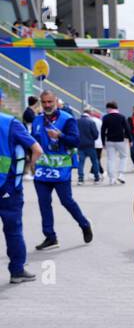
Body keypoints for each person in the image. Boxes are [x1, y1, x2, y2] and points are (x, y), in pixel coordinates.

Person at [30, 89, 92, 249]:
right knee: (44, 203)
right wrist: (31, 161)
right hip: (42, 170)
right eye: (44, 102)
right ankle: (50, 236)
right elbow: (32, 143)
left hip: (61, 171)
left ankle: (84, 224)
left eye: (50, 101)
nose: (47, 105)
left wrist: (60, 136)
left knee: (66, 201)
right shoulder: (37, 120)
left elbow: (76, 141)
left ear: (56, 101)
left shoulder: (67, 119)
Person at [0, 108, 41, 283]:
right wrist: (30, 167)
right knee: (13, 230)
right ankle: (17, 271)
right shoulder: (10, 123)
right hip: (8, 187)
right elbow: (37, 150)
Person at [100, 102, 131, 184]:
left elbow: (103, 131)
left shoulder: (106, 117)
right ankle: (121, 174)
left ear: (109, 108)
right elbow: (127, 129)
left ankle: (112, 179)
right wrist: (130, 140)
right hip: (120, 140)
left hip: (109, 141)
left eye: (107, 108)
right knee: (123, 157)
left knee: (111, 159)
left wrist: (103, 142)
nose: (106, 110)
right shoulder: (121, 117)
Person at [77, 109, 102, 184]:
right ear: (89, 113)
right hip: (90, 145)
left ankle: (80, 179)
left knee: (81, 163)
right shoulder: (91, 122)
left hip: (80, 145)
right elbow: (96, 135)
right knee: (94, 162)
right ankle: (96, 178)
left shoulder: (77, 121)